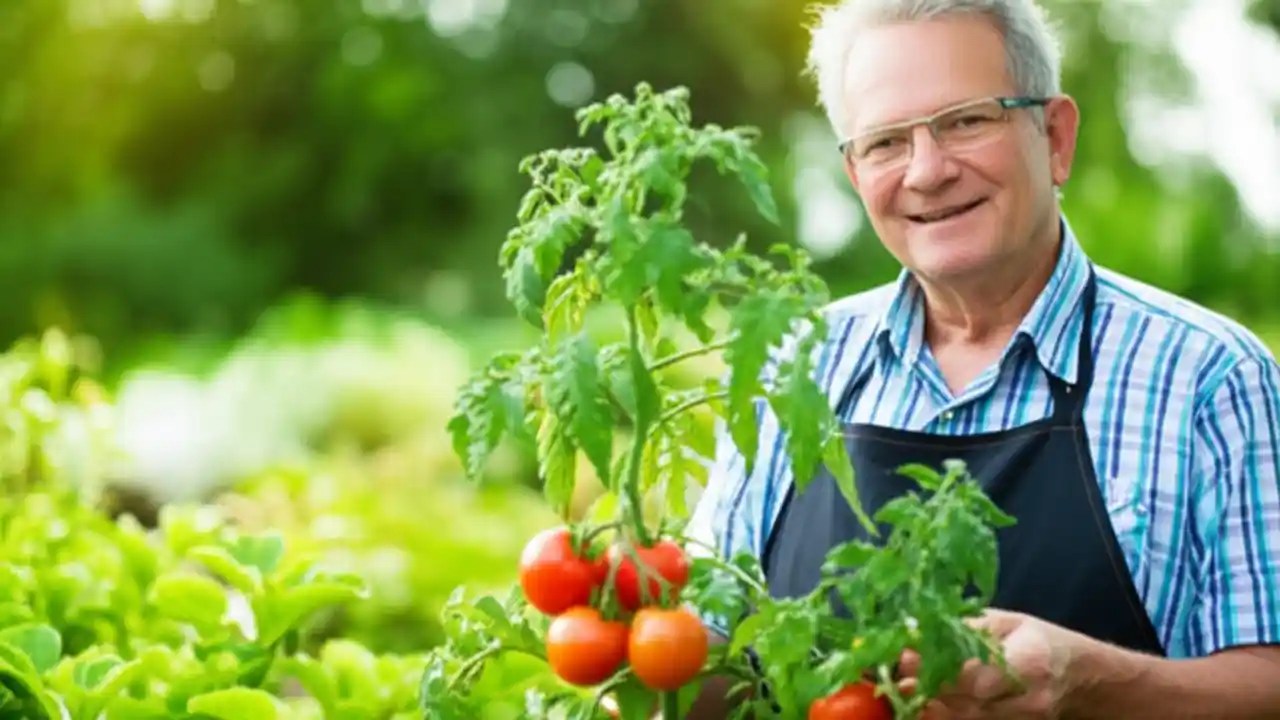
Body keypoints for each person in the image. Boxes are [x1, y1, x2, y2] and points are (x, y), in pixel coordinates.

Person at [684, 0, 1280, 717]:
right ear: (854, 174)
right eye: (884, 143)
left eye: (966, 120)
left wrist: (1093, 684)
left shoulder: (1209, 378)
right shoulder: (793, 369)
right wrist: (634, 644)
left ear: (1055, 136)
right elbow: (712, 661)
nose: (927, 171)